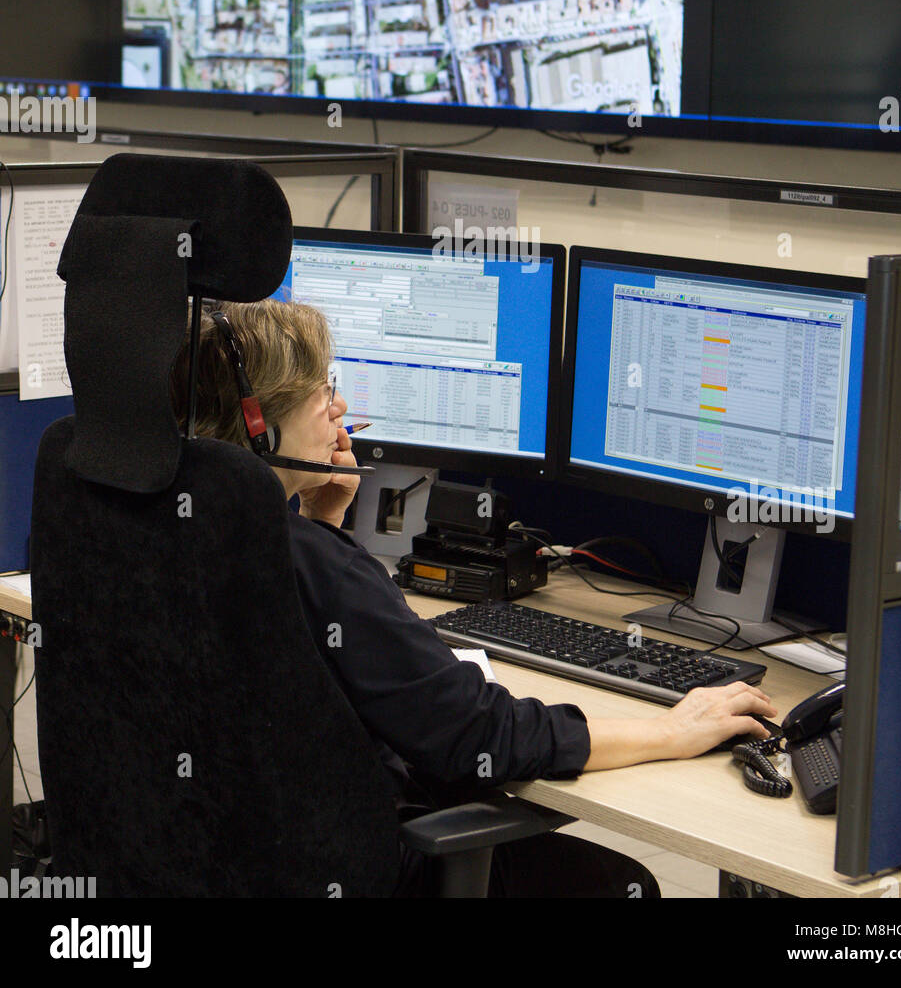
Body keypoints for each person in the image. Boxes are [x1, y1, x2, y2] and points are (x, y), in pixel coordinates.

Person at [170, 297, 778, 897]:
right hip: (355, 867)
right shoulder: (312, 565)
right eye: (322, 390)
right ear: (262, 428)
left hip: (212, 860)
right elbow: (480, 734)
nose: (340, 406)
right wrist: (672, 729)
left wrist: (323, 524)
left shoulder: (160, 536)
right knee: (623, 884)